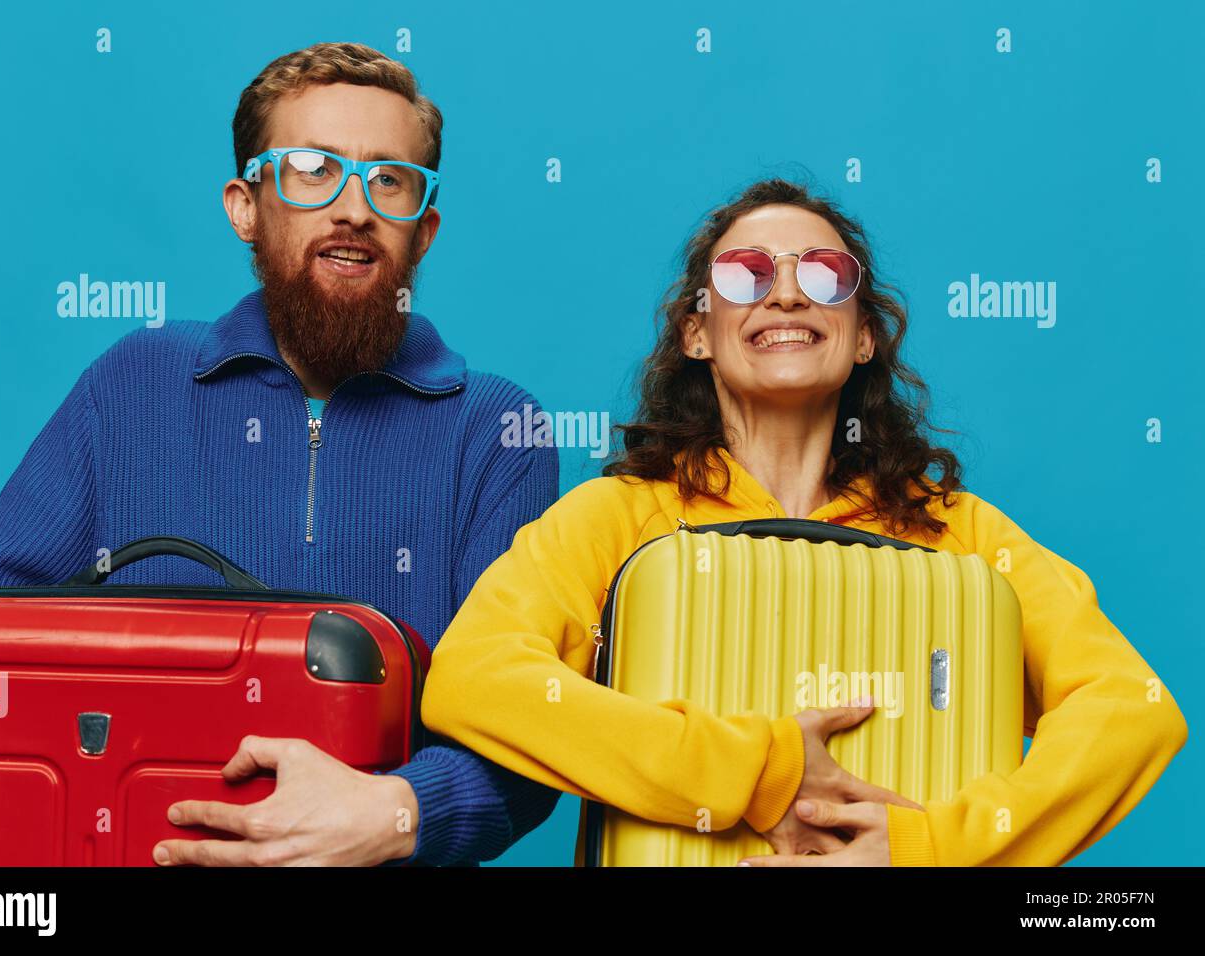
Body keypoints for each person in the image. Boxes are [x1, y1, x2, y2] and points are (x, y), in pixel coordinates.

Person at [0, 42, 562, 867]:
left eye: (388, 180)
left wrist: (397, 812)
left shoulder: (498, 430)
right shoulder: (134, 384)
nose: (354, 208)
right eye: (312, 170)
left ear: (422, 230)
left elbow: (532, 731)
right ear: (245, 207)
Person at [419, 178, 1189, 866]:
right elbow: (473, 679)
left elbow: (1131, 711)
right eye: (745, 273)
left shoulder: (961, 537)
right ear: (697, 333)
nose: (785, 294)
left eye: (824, 275)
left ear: (863, 337)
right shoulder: (618, 518)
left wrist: (932, 849)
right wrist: (759, 770)